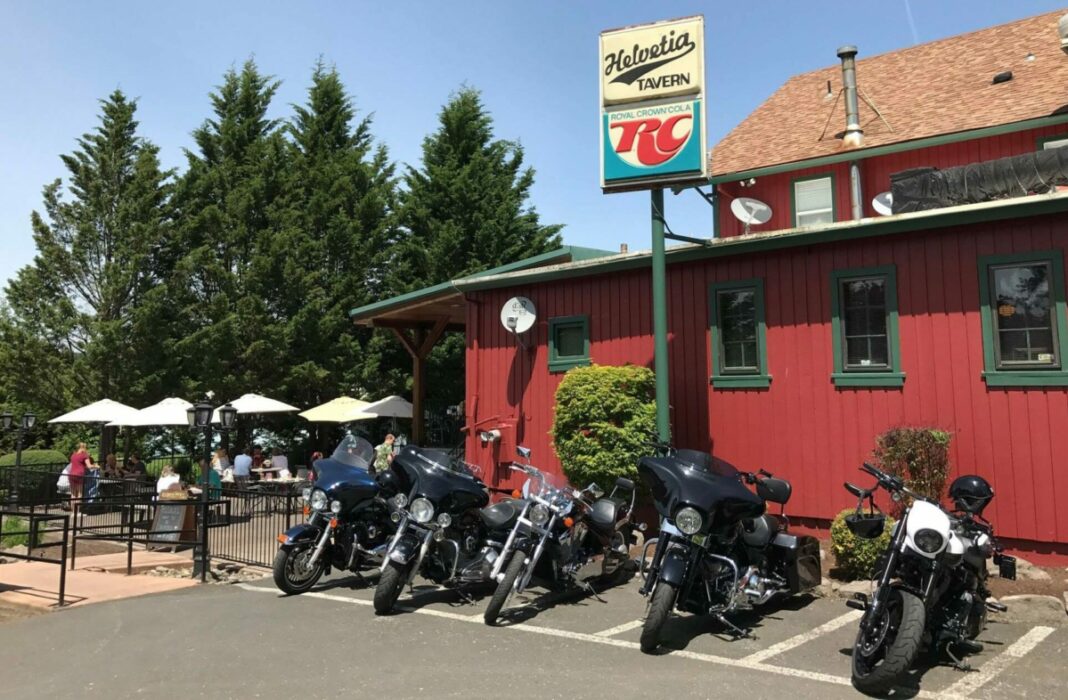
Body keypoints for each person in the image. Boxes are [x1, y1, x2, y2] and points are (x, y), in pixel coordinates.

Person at [66, 443, 90, 509]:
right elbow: (89, 466)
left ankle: (73, 512)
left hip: (71, 475)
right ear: (84, 448)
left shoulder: (73, 455)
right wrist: (96, 466)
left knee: (73, 494)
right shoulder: (84, 455)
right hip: (79, 475)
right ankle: (78, 512)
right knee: (79, 494)